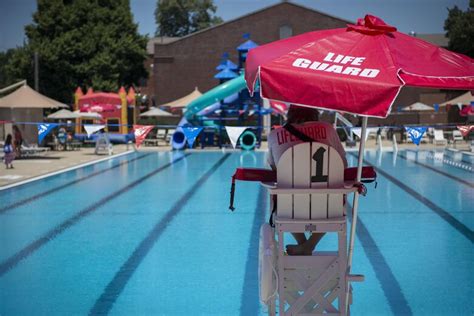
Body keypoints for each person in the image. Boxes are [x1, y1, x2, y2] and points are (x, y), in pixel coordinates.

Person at [267, 105, 347, 255]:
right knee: (337, 197)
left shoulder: (274, 135)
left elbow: (274, 170)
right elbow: (342, 165)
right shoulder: (328, 129)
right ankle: (309, 244)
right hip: (328, 206)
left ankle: (303, 243)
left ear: (289, 114)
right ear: (314, 112)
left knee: (278, 196)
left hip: (290, 208)